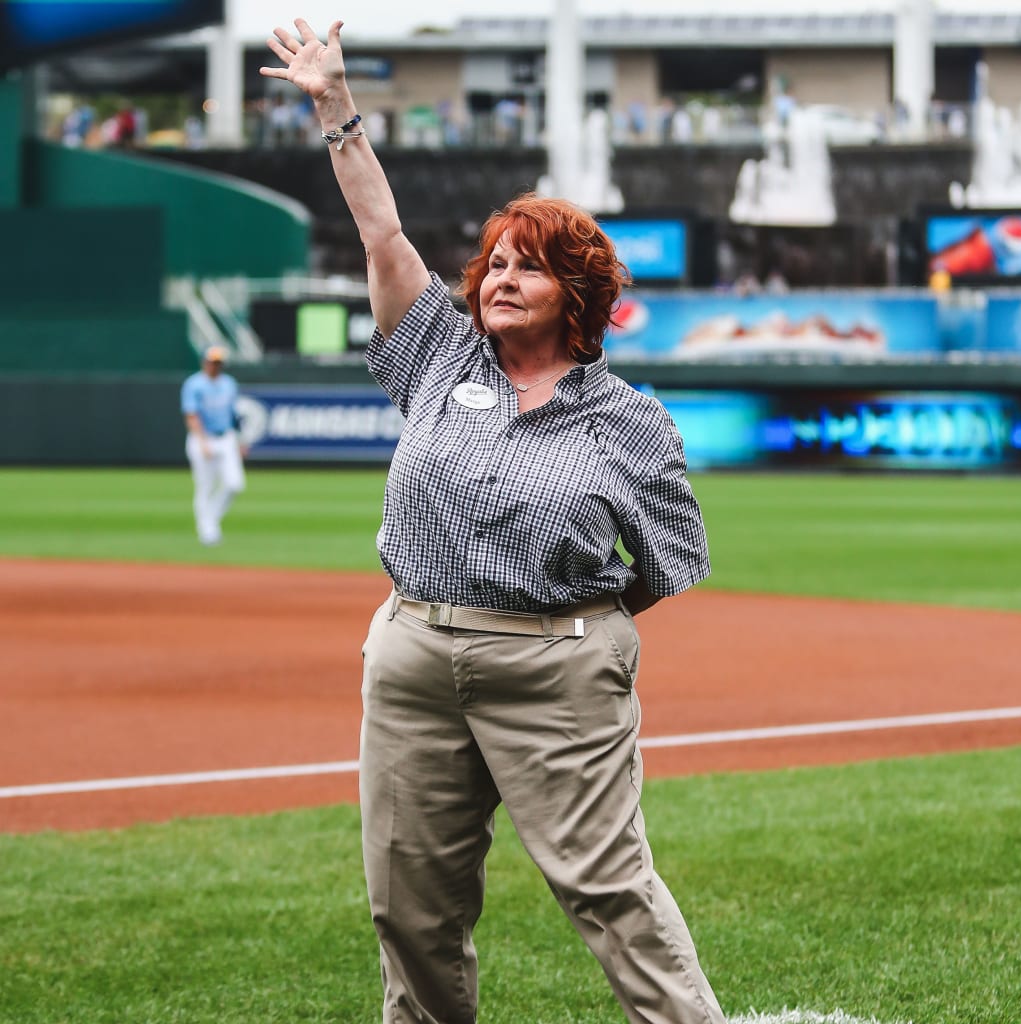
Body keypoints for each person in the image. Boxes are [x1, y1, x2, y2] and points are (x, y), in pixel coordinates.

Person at [262, 19, 725, 1024]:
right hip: (414, 652)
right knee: (409, 907)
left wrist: (576, 629)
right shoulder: (440, 354)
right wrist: (335, 107)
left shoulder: (628, 419)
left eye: (531, 266)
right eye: (495, 263)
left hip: (555, 669)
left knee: (609, 892)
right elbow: (383, 235)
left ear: (579, 297)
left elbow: (671, 558)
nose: (502, 277)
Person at [180, 345, 246, 546]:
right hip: (203, 438)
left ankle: (211, 519)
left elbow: (234, 415)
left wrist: (240, 440)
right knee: (205, 486)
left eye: (219, 362)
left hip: (226, 438)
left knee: (235, 484)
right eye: (212, 362)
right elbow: (191, 415)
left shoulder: (229, 384)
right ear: (204, 362)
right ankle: (207, 530)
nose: (216, 366)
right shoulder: (194, 384)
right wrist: (202, 442)